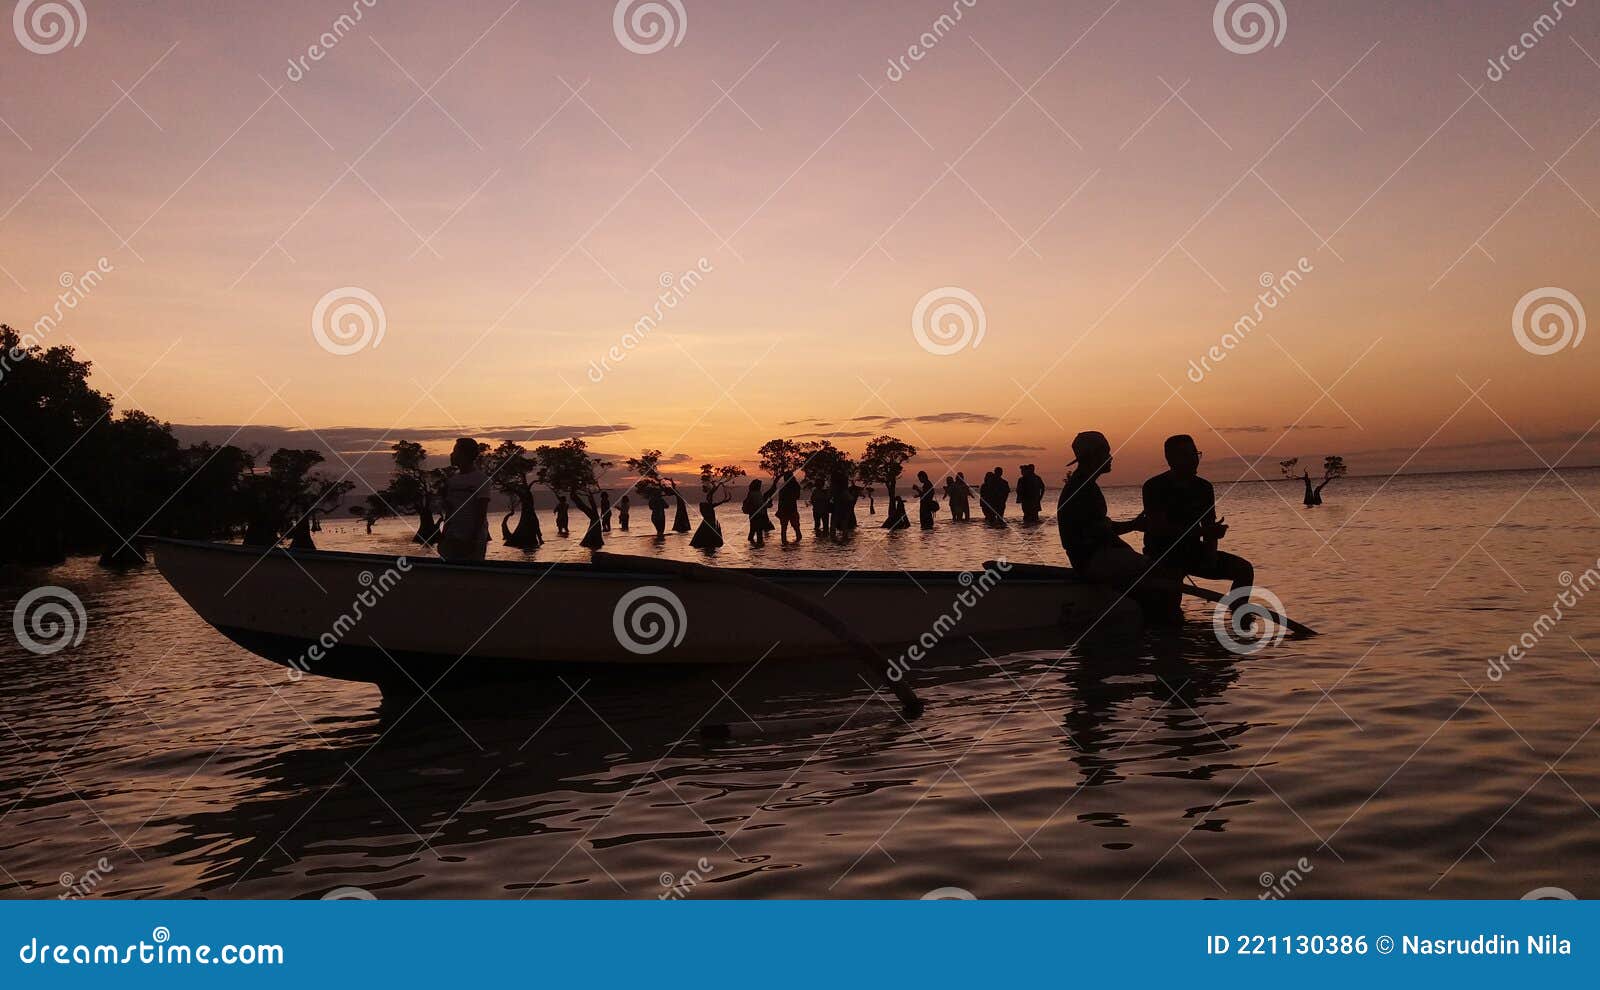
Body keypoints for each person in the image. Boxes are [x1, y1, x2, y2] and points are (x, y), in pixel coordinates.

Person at [1142, 434, 1253, 603]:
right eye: (1186, 455)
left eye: (1195, 454)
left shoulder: (1204, 487)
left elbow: (1209, 526)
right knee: (1170, 608)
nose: (1194, 460)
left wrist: (1211, 553)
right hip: (1162, 555)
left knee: (1244, 569)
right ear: (1170, 459)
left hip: (1193, 552)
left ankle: (1239, 612)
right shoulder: (1154, 487)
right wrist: (1203, 532)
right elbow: (1160, 530)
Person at [1057, 431, 1168, 598]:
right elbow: (1100, 532)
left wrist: (1133, 527)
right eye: (1106, 453)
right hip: (1092, 560)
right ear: (1094, 456)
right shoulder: (1084, 489)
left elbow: (1100, 528)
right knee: (1161, 572)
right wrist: (1133, 528)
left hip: (1087, 559)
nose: (1110, 457)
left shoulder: (1081, 485)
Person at [439, 437, 490, 562]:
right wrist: (444, 535)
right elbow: (450, 512)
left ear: (464, 455)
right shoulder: (452, 481)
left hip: (473, 538)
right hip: (452, 537)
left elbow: (481, 511)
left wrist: (473, 539)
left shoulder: (481, 479)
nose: (452, 455)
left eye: (455, 451)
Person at [743, 479, 774, 546]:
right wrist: (768, 505)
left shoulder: (751, 493)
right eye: (759, 485)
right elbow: (759, 504)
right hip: (758, 515)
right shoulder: (756, 493)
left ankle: (752, 546)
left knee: (752, 530)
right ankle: (759, 547)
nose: (760, 486)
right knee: (759, 532)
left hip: (753, 515)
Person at [775, 470, 803, 544]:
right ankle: (794, 543)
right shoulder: (793, 485)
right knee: (794, 528)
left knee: (786, 528)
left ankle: (786, 544)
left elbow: (795, 496)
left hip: (787, 509)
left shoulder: (787, 486)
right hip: (789, 509)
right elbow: (797, 496)